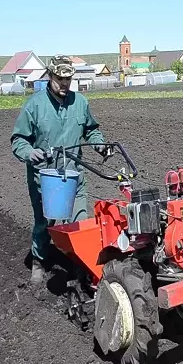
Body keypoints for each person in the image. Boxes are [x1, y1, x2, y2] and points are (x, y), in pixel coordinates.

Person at [10, 55, 111, 284]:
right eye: (59, 79)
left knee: (81, 223)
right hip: (45, 178)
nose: (64, 83)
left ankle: (81, 268)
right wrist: (29, 153)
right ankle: (38, 261)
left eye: (68, 79)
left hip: (74, 176)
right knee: (45, 223)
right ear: (50, 76)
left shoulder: (80, 102)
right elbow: (18, 140)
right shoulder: (34, 105)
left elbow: (91, 130)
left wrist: (99, 144)